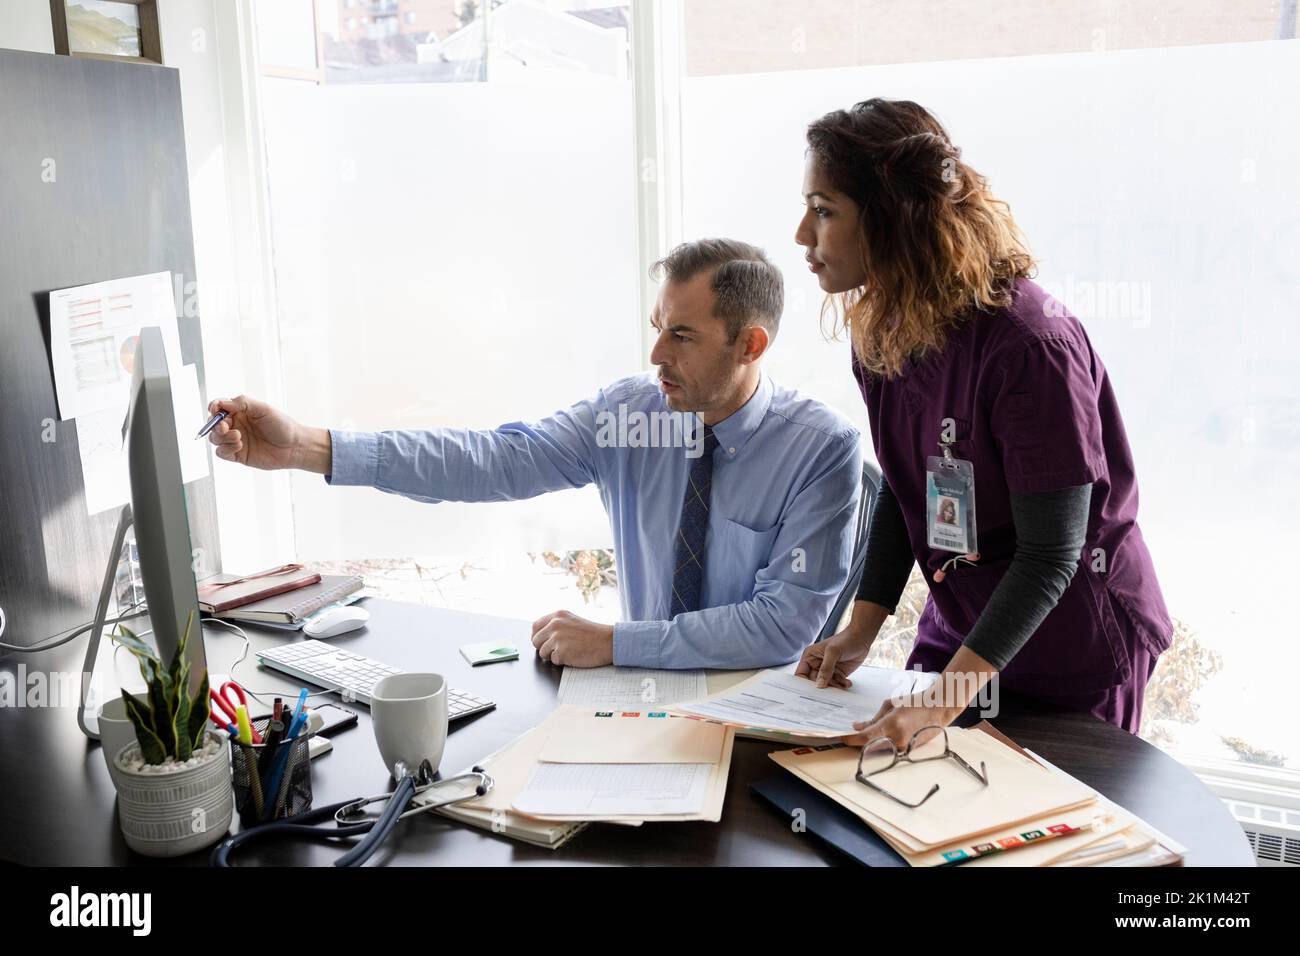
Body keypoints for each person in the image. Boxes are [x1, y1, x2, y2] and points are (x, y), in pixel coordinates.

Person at [208, 238, 862, 670]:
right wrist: (305, 447)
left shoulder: (820, 449)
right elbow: (491, 460)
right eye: (657, 329)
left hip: (752, 707)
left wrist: (615, 642)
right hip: (638, 698)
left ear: (750, 346)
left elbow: (782, 627)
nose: (657, 356)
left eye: (683, 336)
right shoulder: (628, 413)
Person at [793, 99, 1172, 746]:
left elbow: (1052, 555)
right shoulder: (883, 329)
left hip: (1071, 641)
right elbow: (905, 488)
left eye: (824, 210)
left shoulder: (1029, 347)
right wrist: (863, 625)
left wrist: (940, 703)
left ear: (892, 220)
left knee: (1038, 837)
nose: (803, 233)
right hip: (964, 627)